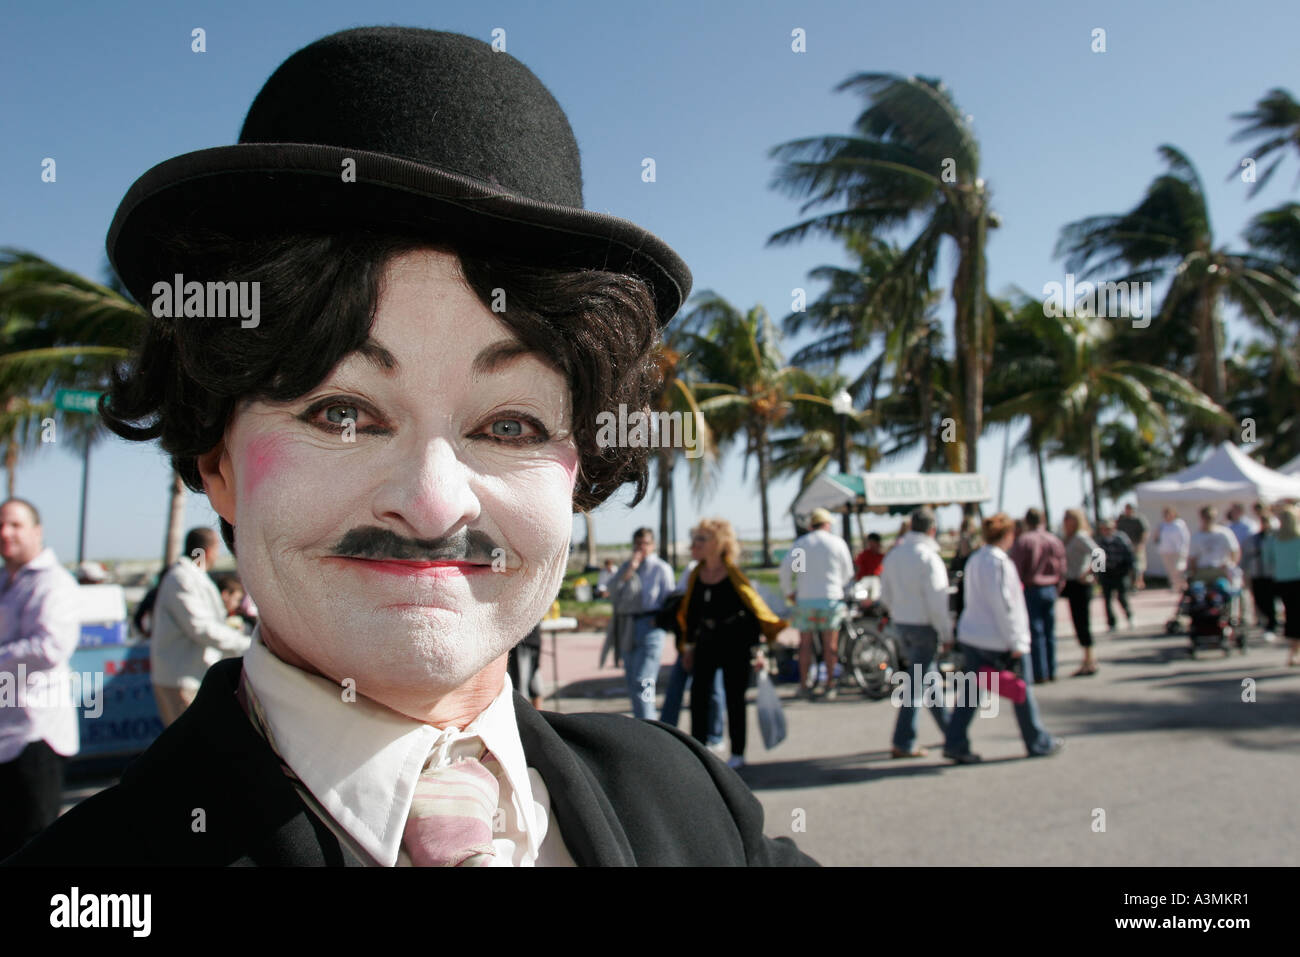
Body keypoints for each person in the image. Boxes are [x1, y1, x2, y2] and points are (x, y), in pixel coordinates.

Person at [5, 27, 812, 866]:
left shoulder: (697, 810)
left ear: (579, 470)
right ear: (218, 457)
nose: (433, 502)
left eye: (511, 426)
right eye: (342, 412)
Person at [942, 512, 1064, 764]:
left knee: (970, 694)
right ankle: (1037, 740)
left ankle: (955, 742)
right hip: (997, 638)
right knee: (1021, 690)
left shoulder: (976, 558)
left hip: (973, 634)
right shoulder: (998, 563)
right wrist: (1017, 641)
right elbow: (1004, 605)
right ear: (1008, 535)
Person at [0, 499, 82, 859]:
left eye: (16, 525)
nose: (5, 533)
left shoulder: (53, 583)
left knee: (36, 844)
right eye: (2, 525)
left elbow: (51, 647)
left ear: (37, 531)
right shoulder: (7, 581)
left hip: (36, 735)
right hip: (7, 731)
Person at [677, 518, 788, 768]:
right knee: (698, 696)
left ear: (718, 543)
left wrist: (758, 651)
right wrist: (689, 647)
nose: (695, 544)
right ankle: (699, 750)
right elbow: (691, 614)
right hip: (706, 642)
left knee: (735, 699)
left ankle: (738, 752)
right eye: (695, 538)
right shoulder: (697, 574)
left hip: (736, 644)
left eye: (701, 539)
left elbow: (753, 614)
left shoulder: (734, 575)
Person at [149, 528, 252, 727]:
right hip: (183, 679)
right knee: (188, 751)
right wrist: (245, 644)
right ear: (210, 550)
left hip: (191, 676)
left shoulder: (190, 577)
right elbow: (200, 628)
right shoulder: (182, 578)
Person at [879, 507, 951, 758]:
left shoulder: (895, 555)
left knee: (925, 679)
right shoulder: (928, 557)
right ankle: (904, 740)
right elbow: (938, 601)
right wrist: (947, 632)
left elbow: (885, 594)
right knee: (917, 684)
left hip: (902, 624)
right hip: (923, 625)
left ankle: (951, 731)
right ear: (932, 530)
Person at [780, 507, 855, 700]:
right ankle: (830, 684)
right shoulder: (836, 544)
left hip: (805, 600)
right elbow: (847, 573)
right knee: (830, 644)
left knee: (805, 645)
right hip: (830, 599)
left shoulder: (803, 544)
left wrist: (790, 592)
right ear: (827, 524)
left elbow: (789, 571)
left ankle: (804, 685)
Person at [658, 555, 726, 752]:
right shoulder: (693, 569)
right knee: (678, 688)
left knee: (712, 690)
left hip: (708, 644)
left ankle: (714, 735)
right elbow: (681, 605)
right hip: (689, 642)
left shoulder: (723, 572)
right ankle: (667, 730)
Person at [609, 528, 675, 720]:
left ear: (652, 545)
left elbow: (670, 599)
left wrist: (660, 620)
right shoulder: (628, 567)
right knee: (631, 679)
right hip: (630, 624)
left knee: (643, 680)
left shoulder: (661, 568)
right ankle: (642, 721)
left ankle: (649, 725)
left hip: (651, 625)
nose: (641, 548)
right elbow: (613, 591)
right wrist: (630, 570)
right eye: (638, 544)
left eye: (645, 544)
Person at [1007, 507, 1066, 683]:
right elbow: (1062, 567)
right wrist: (1058, 587)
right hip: (1050, 588)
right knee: (1049, 631)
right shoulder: (1053, 540)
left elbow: (1015, 569)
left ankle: (1040, 671)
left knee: (1036, 631)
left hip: (1032, 588)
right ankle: (1051, 668)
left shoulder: (1024, 541)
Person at [1061, 508, 1100, 676]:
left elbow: (1099, 554)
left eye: (1069, 518)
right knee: (1077, 621)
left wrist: (1089, 573)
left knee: (1083, 621)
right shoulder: (1068, 538)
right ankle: (1087, 659)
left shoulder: (1079, 537)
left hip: (1080, 584)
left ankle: (1090, 660)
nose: (1066, 521)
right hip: (1070, 583)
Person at [1262, 505, 1300, 667]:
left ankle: (1293, 652)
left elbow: (1267, 561)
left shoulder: (1273, 539)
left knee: (1291, 616)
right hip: (1297, 579)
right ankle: (1294, 652)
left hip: (1283, 581)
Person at [1095, 519, 1135, 632]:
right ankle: (1111, 623)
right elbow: (1097, 560)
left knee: (1122, 597)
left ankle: (1129, 616)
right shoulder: (1100, 541)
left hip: (1120, 571)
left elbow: (1129, 555)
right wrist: (1097, 575)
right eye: (1103, 529)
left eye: (1108, 528)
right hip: (1107, 573)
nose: (1106, 531)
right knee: (1107, 599)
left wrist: (1131, 571)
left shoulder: (1121, 539)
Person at [1247, 503, 1278, 642]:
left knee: (1271, 600)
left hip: (1272, 574)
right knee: (1260, 600)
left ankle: (1272, 624)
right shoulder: (1255, 537)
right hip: (1257, 572)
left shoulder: (1275, 537)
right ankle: (1267, 621)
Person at [1187, 506, 1240, 586]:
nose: (1208, 520)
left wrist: (1231, 564)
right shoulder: (1196, 536)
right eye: (1206, 517)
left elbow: (1235, 551)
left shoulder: (1224, 533)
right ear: (1201, 518)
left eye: (1211, 517)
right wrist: (1193, 572)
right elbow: (1192, 558)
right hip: (1203, 570)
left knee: (1224, 587)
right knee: (1197, 590)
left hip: (1221, 570)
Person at [1155, 507, 1190, 607]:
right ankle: (1175, 585)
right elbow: (1157, 536)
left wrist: (1184, 549)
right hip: (1165, 551)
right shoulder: (1162, 525)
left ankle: (1182, 584)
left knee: (1178, 569)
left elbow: (1185, 537)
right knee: (1170, 569)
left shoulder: (1179, 524)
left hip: (1177, 551)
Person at [507, 623, 545, 710]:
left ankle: (532, 720)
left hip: (526, 639)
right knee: (529, 686)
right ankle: (535, 719)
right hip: (528, 639)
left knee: (525, 688)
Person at [1116, 503, 1150, 590]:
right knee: (1129, 565)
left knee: (1138, 565)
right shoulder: (1122, 520)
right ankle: (1132, 583)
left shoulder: (1138, 519)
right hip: (1125, 546)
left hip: (1136, 544)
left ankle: (1138, 582)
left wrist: (1141, 544)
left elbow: (1145, 532)